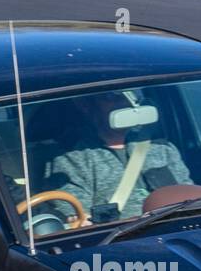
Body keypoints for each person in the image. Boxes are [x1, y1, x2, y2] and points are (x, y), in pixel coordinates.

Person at [48, 91, 192, 221]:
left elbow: (191, 197)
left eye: (131, 97)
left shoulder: (162, 149)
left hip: (176, 227)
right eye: (110, 97)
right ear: (86, 105)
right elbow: (78, 218)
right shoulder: (72, 159)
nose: (123, 103)